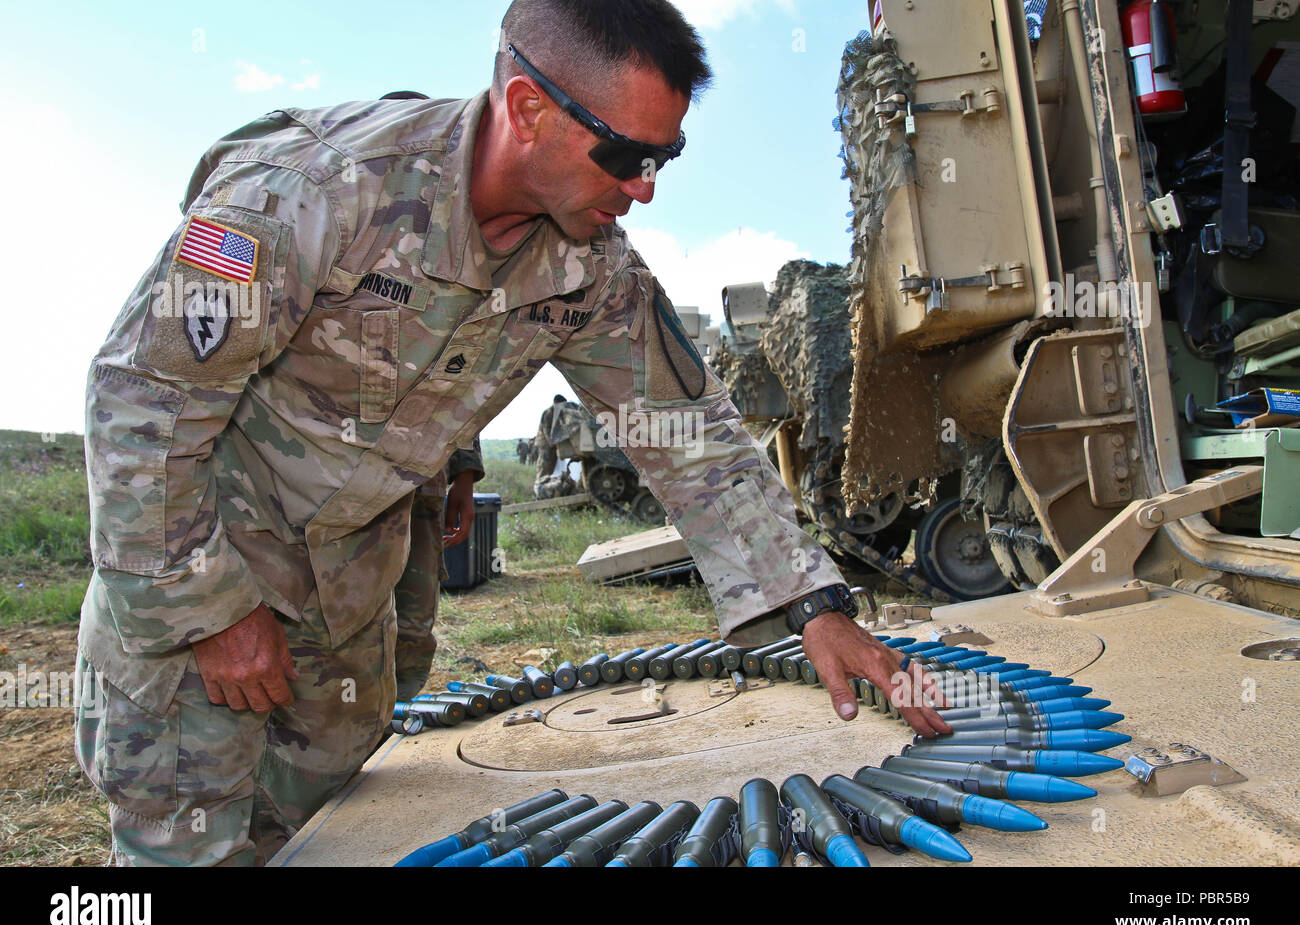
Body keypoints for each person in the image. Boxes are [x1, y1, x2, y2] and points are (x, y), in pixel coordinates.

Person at [75, 0, 950, 867]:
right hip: (205, 556)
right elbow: (140, 403)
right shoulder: (311, 191)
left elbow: (695, 442)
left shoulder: (592, 267)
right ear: (529, 108)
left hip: (348, 588)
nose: (645, 185)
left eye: (666, 157)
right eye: (628, 155)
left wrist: (814, 610)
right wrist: (209, 612)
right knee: (188, 838)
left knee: (321, 832)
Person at [393, 440, 483, 703]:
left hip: (422, 480)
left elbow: (463, 400)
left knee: (412, 620)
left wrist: (465, 475)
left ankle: (394, 719)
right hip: (341, 483)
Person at [533, 393, 567, 486]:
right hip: (545, 444)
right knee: (544, 467)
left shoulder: (558, 413)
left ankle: (547, 489)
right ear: (555, 403)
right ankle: (540, 489)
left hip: (553, 445)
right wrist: (552, 443)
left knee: (551, 467)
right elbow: (546, 429)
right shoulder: (549, 412)